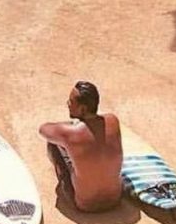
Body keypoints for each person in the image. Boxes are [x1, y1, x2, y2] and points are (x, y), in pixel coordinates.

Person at [38, 81, 123, 213]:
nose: (68, 104)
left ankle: (65, 185)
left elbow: (43, 129)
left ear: (83, 109)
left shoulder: (69, 133)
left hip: (85, 205)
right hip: (115, 199)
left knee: (53, 143)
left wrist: (70, 126)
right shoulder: (113, 121)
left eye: (71, 102)